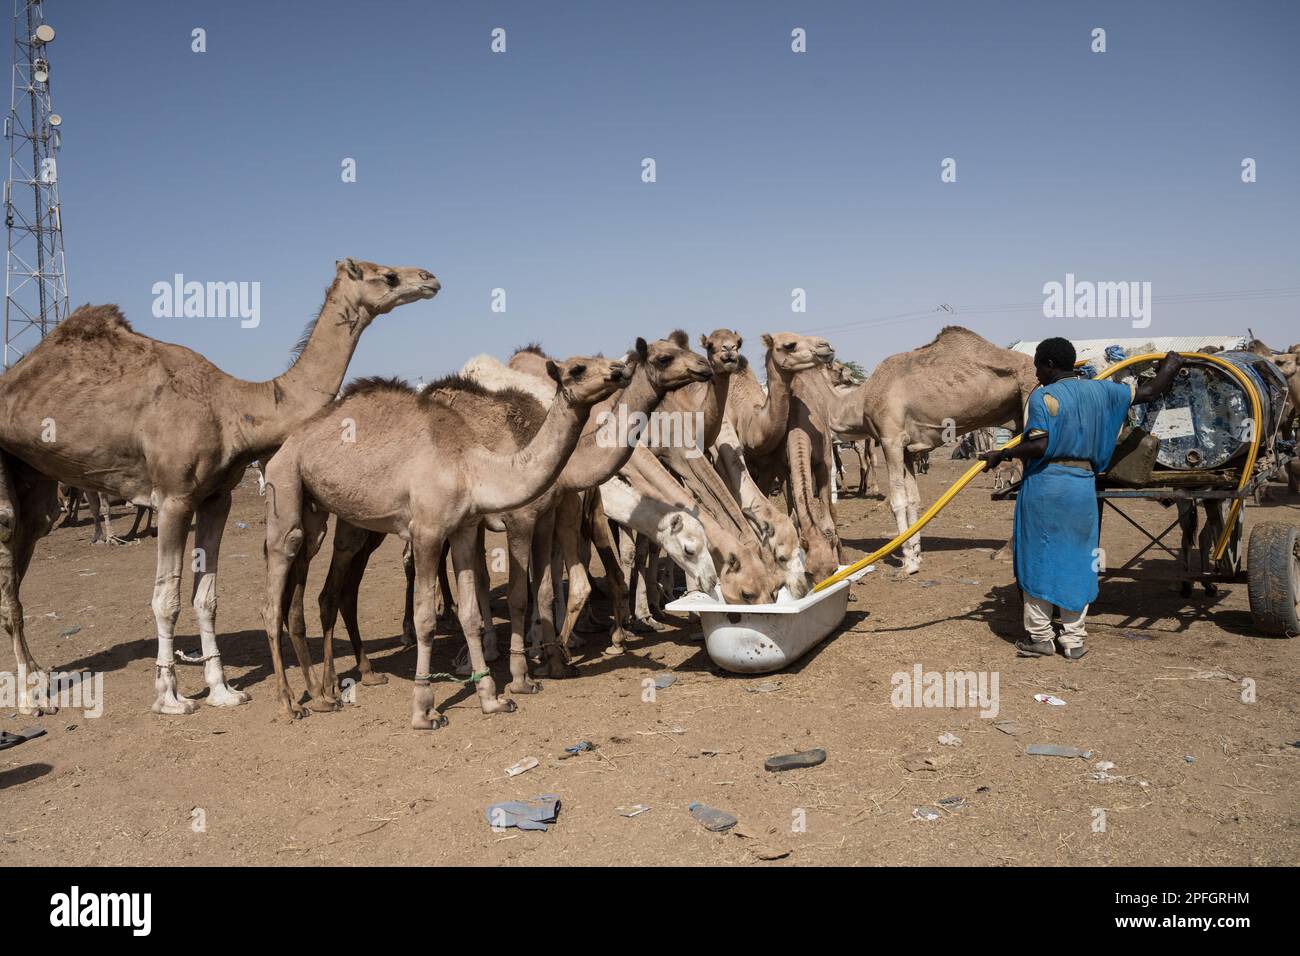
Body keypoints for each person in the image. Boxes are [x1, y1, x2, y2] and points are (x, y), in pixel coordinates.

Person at [979, 339, 1183, 660]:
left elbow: (1041, 446)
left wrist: (1003, 453)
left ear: (1048, 364)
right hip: (1083, 486)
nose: (1035, 372)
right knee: (1078, 558)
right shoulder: (1104, 391)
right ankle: (1073, 640)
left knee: (1037, 557)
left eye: (1037, 365)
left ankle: (1041, 637)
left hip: (1047, 485)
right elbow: (1150, 392)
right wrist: (1172, 364)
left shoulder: (1044, 397)